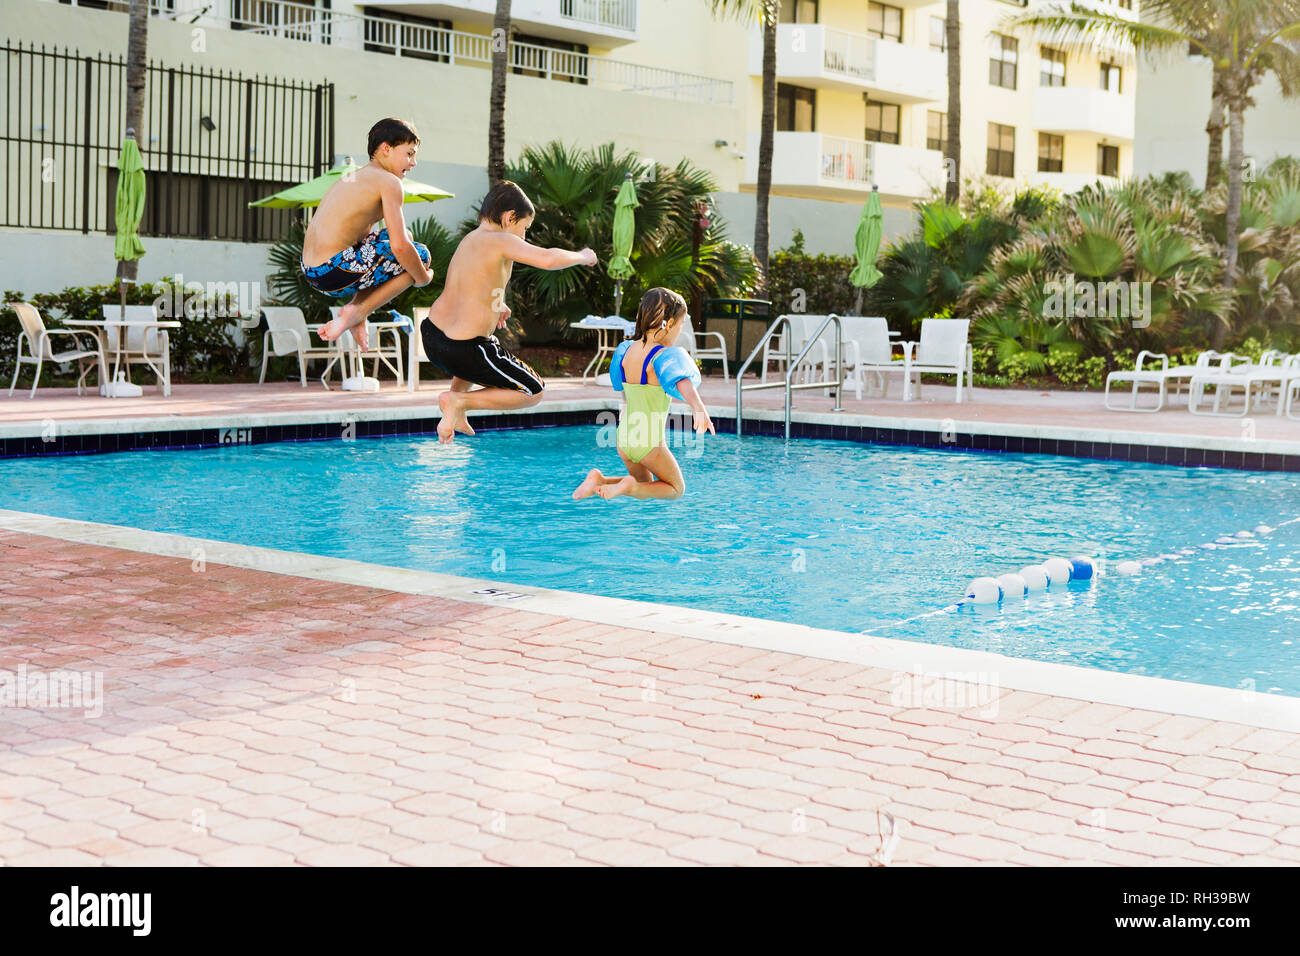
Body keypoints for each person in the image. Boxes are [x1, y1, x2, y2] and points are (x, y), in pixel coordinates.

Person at [421, 180, 596, 443]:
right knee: (533, 390)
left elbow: (466, 285)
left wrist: (496, 304)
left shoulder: (470, 240)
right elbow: (548, 259)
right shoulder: (499, 239)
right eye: (524, 228)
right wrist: (581, 256)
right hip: (464, 348)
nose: (524, 236)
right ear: (509, 217)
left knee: (480, 347)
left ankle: (456, 411)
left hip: (433, 338)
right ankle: (458, 401)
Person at [301, 118, 434, 350]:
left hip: (313, 270)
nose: (413, 163)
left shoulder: (355, 177)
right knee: (419, 255)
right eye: (409, 154)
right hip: (332, 271)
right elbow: (400, 247)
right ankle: (357, 312)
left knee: (401, 238)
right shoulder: (389, 182)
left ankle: (356, 312)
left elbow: (376, 245)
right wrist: (422, 278)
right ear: (386, 148)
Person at [572, 288, 714, 502]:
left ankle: (598, 481)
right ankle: (628, 486)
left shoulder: (627, 351)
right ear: (670, 324)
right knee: (676, 489)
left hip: (624, 437)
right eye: (681, 325)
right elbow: (682, 380)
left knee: (646, 486)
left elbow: (623, 392)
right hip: (648, 440)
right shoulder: (662, 356)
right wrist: (699, 408)